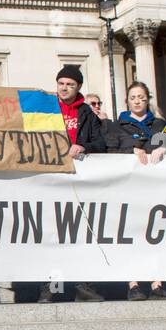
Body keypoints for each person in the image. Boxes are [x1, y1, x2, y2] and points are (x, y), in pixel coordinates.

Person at [105, 82, 166, 302]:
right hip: (128, 190)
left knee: (155, 235)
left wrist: (165, 148)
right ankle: (134, 284)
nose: (137, 101)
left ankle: (157, 284)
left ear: (148, 100)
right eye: (133, 97)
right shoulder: (116, 126)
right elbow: (109, 150)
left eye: (142, 97)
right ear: (127, 100)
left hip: (156, 190)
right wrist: (132, 150)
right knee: (131, 236)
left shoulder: (160, 124)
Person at [40, 65, 107, 303]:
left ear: (78, 87)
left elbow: (102, 144)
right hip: (50, 180)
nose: (64, 88)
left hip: (80, 181)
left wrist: (84, 146)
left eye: (70, 84)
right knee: (51, 235)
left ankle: (84, 285)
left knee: (82, 234)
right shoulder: (45, 108)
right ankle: (51, 287)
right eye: (61, 83)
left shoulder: (87, 113)